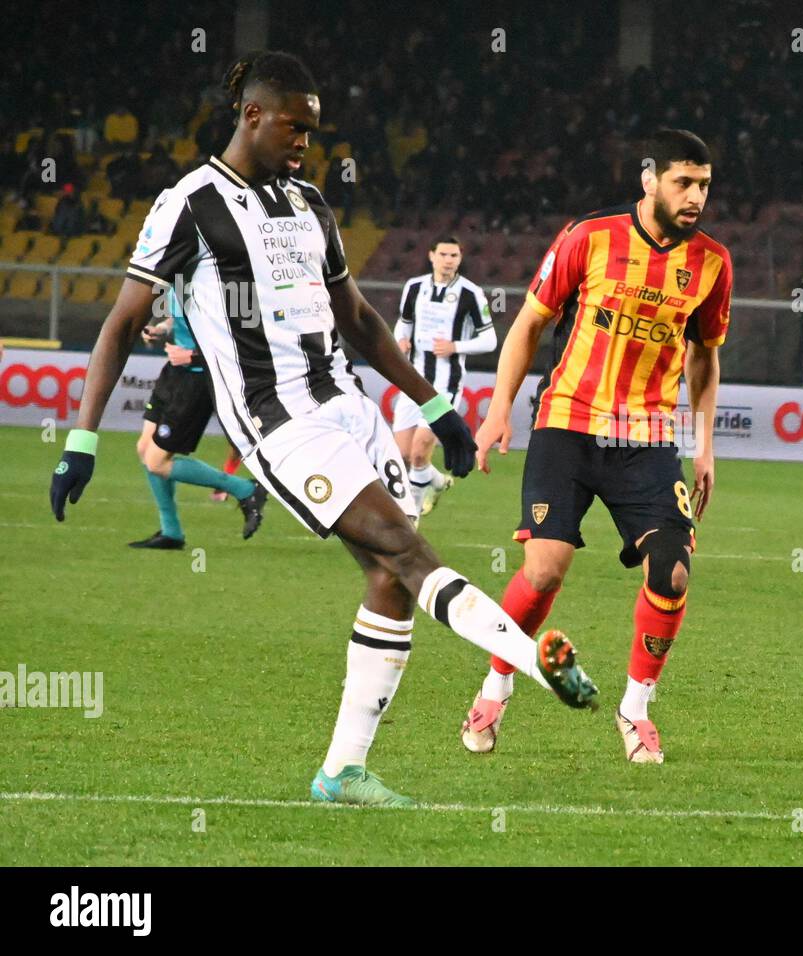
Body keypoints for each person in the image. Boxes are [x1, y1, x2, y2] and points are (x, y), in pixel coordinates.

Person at [49, 50, 597, 809]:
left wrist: (435, 407)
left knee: (389, 580)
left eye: (313, 130)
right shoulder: (190, 203)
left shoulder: (310, 204)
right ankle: (539, 664)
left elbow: (361, 323)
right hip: (281, 428)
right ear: (250, 116)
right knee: (407, 551)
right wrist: (81, 440)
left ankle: (342, 772)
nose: (306, 143)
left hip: (348, 409)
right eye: (294, 127)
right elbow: (119, 325)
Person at [468, 128, 732, 764]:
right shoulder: (588, 238)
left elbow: (704, 356)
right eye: (683, 183)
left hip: (645, 438)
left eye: (704, 185)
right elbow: (531, 321)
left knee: (671, 570)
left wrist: (703, 445)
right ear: (650, 180)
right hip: (566, 423)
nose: (695, 196)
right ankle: (495, 687)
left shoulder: (712, 264)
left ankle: (634, 711)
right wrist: (500, 407)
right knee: (544, 569)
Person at [130, 291, 268, 549]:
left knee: (156, 462)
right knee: (144, 448)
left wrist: (191, 357)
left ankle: (245, 490)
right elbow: (177, 318)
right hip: (174, 373)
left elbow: (237, 342)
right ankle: (171, 533)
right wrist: (161, 329)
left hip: (198, 380)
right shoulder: (179, 277)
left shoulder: (216, 284)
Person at [392, 236, 497, 517]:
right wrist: (400, 341)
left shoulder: (470, 293)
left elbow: (490, 340)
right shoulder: (414, 288)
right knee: (401, 456)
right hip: (412, 380)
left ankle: (410, 517)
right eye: (444, 254)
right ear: (431, 255)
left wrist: (455, 347)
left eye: (454, 255)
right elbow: (402, 325)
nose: (448, 260)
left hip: (445, 384)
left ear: (460, 258)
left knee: (419, 451)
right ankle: (436, 481)